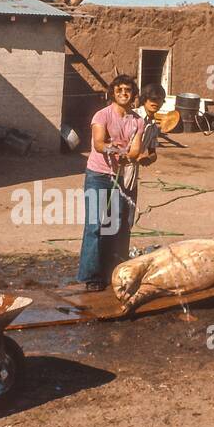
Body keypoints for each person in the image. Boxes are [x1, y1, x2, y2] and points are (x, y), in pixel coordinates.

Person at [76, 75, 155, 291]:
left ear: (133, 94)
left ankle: (114, 271)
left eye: (127, 90)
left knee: (116, 226)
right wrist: (116, 150)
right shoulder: (101, 115)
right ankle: (91, 276)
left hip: (119, 179)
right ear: (113, 92)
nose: (123, 93)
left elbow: (136, 149)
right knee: (95, 225)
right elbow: (99, 143)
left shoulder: (137, 121)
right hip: (98, 176)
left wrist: (129, 156)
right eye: (119, 90)